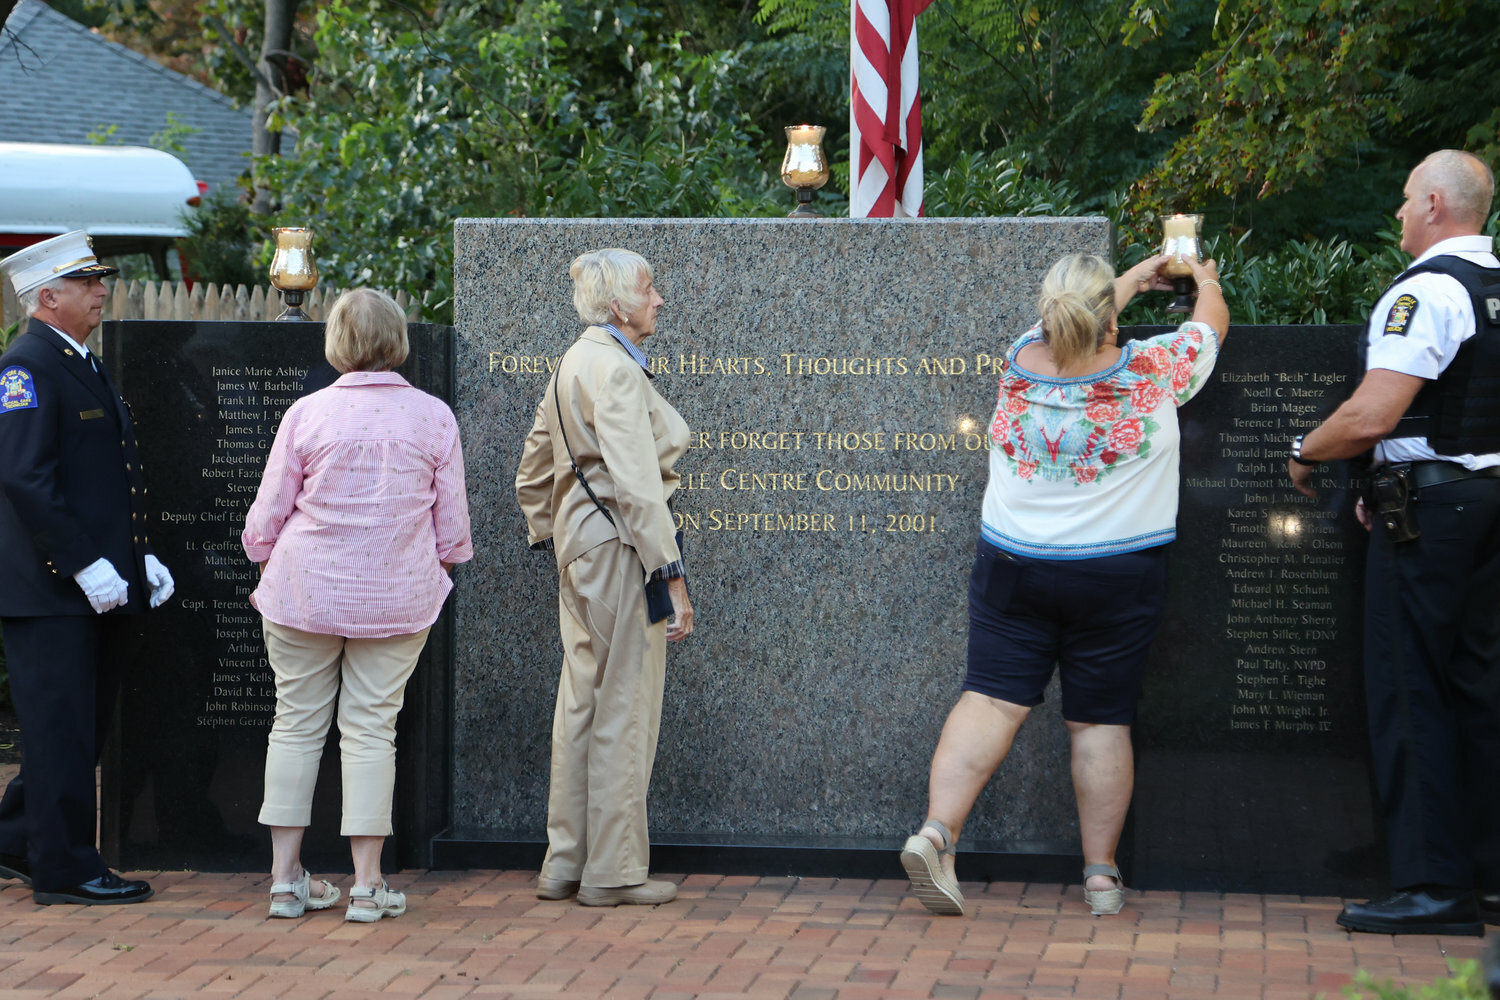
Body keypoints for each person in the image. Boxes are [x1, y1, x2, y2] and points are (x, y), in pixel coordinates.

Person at [900, 250, 1228, 917]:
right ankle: (1102, 878)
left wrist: (1129, 281)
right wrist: (1205, 278)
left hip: (1013, 565)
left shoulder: (1019, 362)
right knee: (1099, 720)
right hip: (1117, 572)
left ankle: (936, 833)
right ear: (1110, 317)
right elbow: (1210, 325)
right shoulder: (1154, 369)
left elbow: (1073, 321)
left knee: (990, 700)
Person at [1287, 149, 1500, 937]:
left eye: (1408, 199)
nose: (1400, 212)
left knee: (1411, 693)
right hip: (1484, 509)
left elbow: (1373, 414)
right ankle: (1487, 875)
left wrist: (1307, 449)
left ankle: (1432, 887)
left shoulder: (1427, 293)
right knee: (1481, 691)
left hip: (1431, 519)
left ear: (1438, 203)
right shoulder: (1495, 288)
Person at [242, 288, 472, 923]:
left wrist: (262, 552)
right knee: (373, 731)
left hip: (303, 592)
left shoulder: (306, 414)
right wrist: (432, 566)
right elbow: (452, 529)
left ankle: (285, 882)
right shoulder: (434, 417)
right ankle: (368, 887)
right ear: (397, 340)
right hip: (395, 597)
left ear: (337, 341)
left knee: (294, 725)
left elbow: (267, 514)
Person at [515, 248, 695, 907]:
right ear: (619, 305)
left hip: (581, 552)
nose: (660, 300)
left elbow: (533, 470)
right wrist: (669, 576)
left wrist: (555, 532)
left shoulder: (570, 362)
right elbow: (639, 485)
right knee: (626, 705)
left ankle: (563, 863)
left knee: (581, 705)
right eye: (651, 288)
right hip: (623, 552)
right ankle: (614, 871)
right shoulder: (616, 371)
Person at [0, 231, 174, 905]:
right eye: (88, 281)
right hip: (51, 591)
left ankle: (18, 838)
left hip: (93, 584)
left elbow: (107, 478)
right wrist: (81, 565)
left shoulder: (77, 360)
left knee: (75, 730)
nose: (103, 290)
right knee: (61, 733)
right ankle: (66, 869)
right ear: (49, 296)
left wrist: (140, 553)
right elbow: (23, 479)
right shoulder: (27, 366)